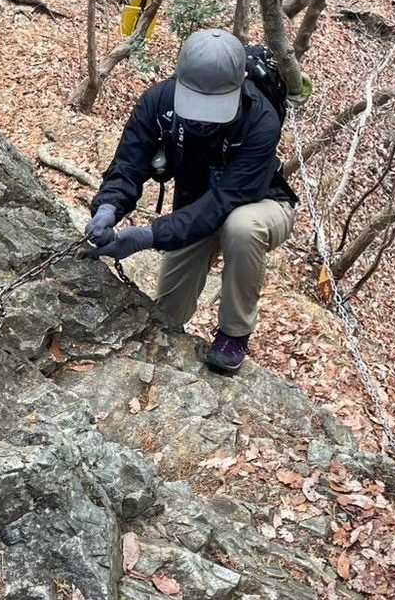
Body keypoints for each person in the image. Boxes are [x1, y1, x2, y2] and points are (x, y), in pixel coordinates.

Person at [86, 28, 297, 374]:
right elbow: (128, 162)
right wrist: (109, 206)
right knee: (165, 315)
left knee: (240, 227)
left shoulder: (260, 119)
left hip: (261, 205)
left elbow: (225, 201)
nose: (202, 118)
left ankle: (234, 334)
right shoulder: (159, 101)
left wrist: (147, 236)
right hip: (194, 207)